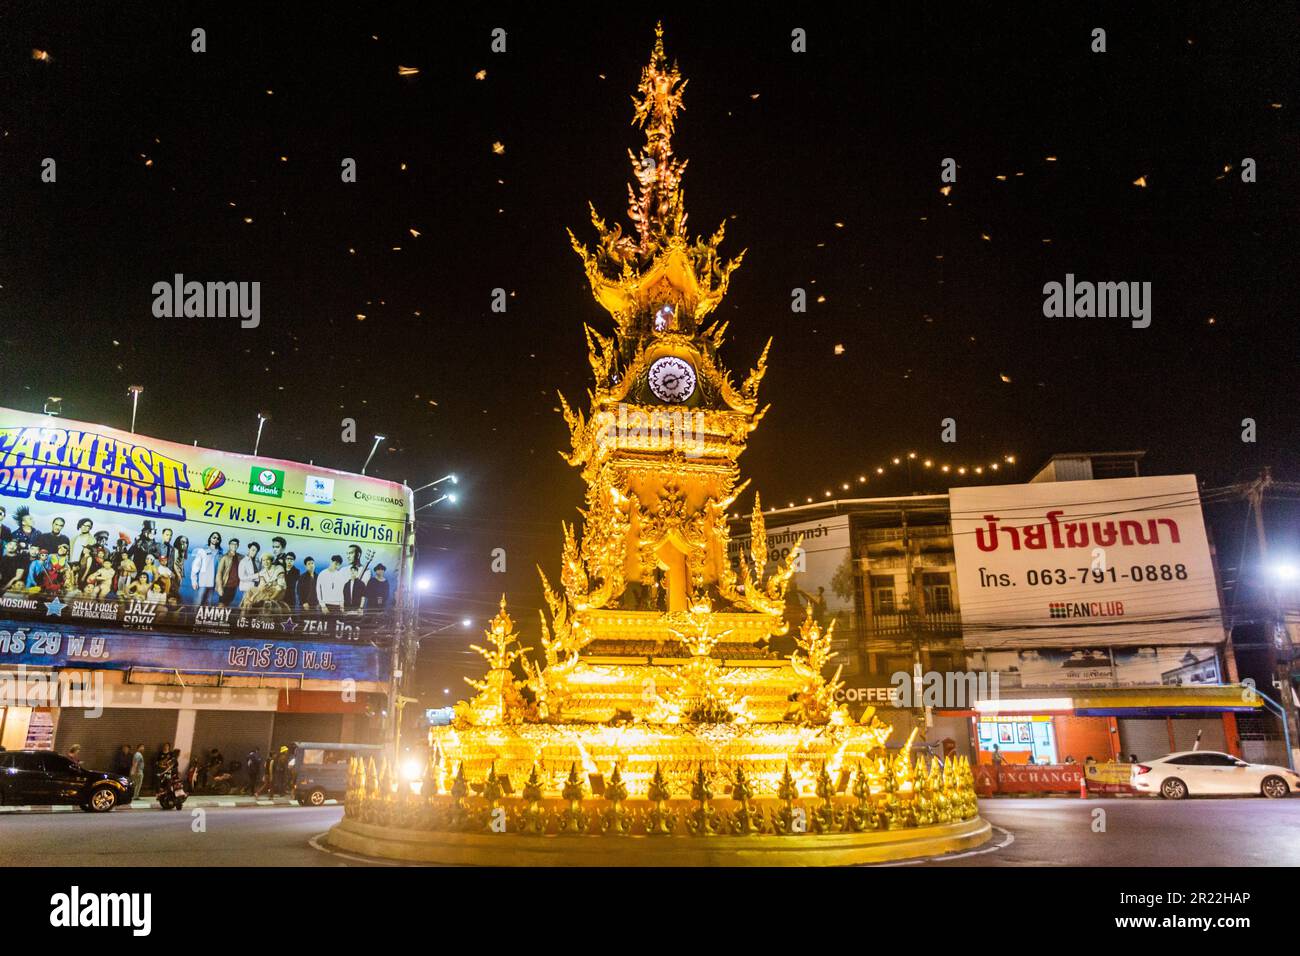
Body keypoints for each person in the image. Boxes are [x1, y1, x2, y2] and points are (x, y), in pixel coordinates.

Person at [191, 531, 222, 606]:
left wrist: (219, 584)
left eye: (217, 538)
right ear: (210, 539)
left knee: (209, 603)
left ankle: (204, 617)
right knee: (199, 601)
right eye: (214, 537)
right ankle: (193, 616)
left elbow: (220, 570)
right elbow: (196, 566)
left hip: (213, 583)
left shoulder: (220, 553)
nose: (215, 539)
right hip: (203, 581)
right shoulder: (202, 551)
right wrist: (194, 581)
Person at [216, 538, 242, 606]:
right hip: (226, 585)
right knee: (221, 604)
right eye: (233, 544)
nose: (234, 545)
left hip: (234, 586)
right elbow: (219, 573)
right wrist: (219, 587)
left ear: (238, 546)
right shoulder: (224, 557)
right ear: (229, 545)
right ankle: (218, 616)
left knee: (227, 604)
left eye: (236, 544)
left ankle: (223, 616)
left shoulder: (239, 557)